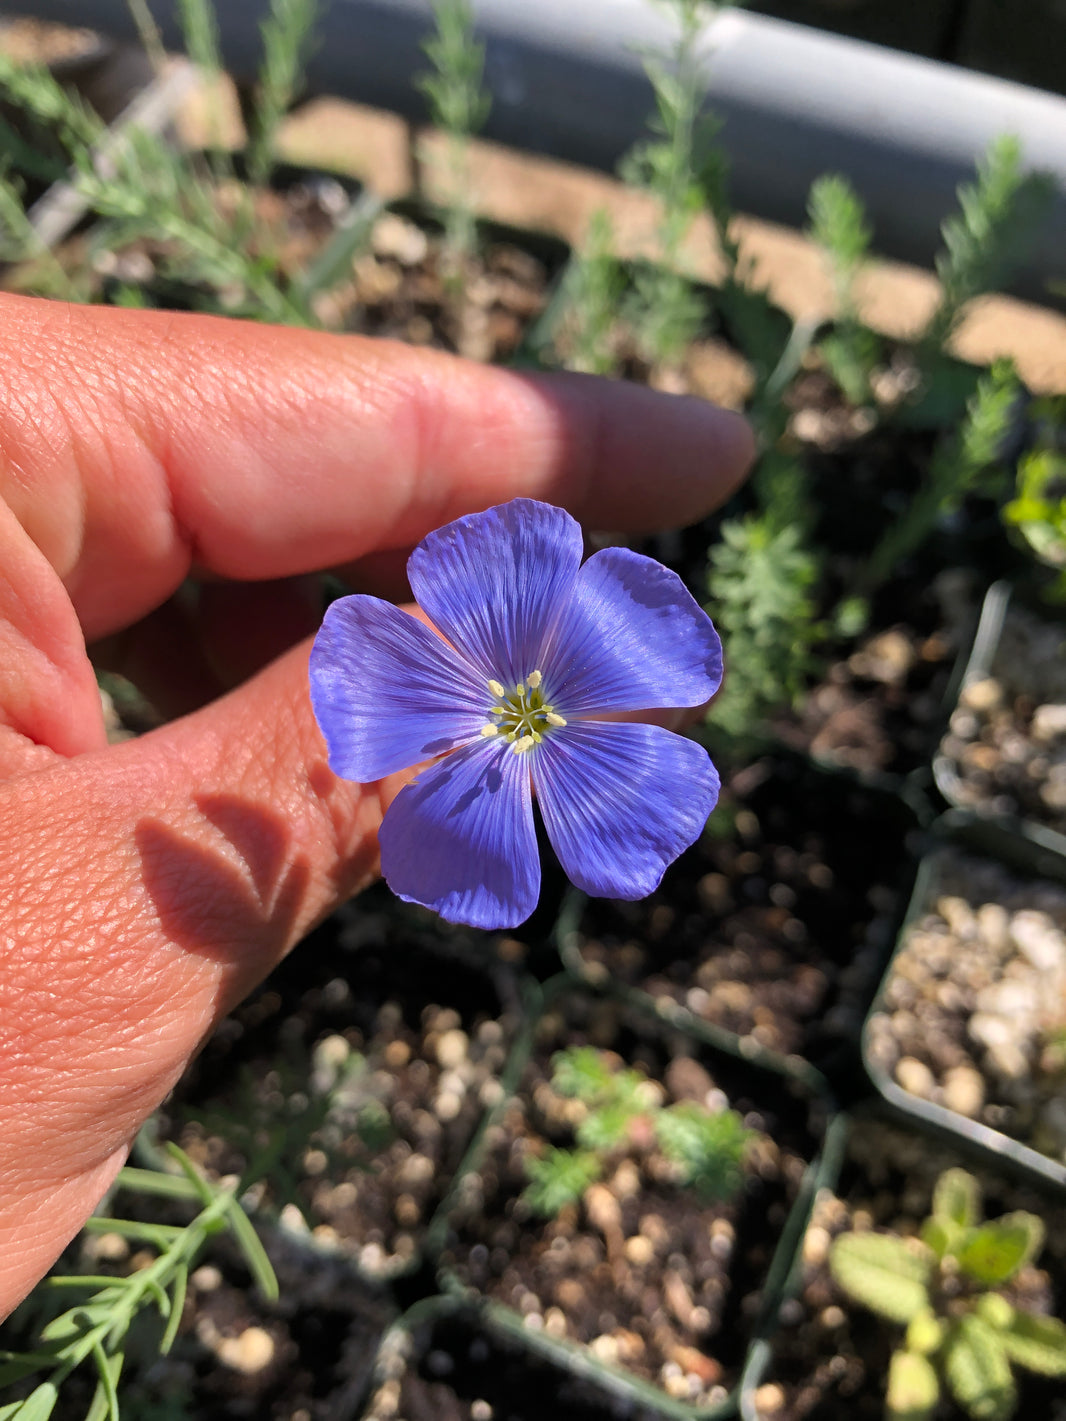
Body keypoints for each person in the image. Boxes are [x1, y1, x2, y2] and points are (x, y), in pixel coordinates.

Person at [0, 292, 754, 1320]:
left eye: (531, 709)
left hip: (513, 738)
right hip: (457, 717)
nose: (525, 711)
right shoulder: (497, 700)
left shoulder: (583, 708)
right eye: (525, 706)